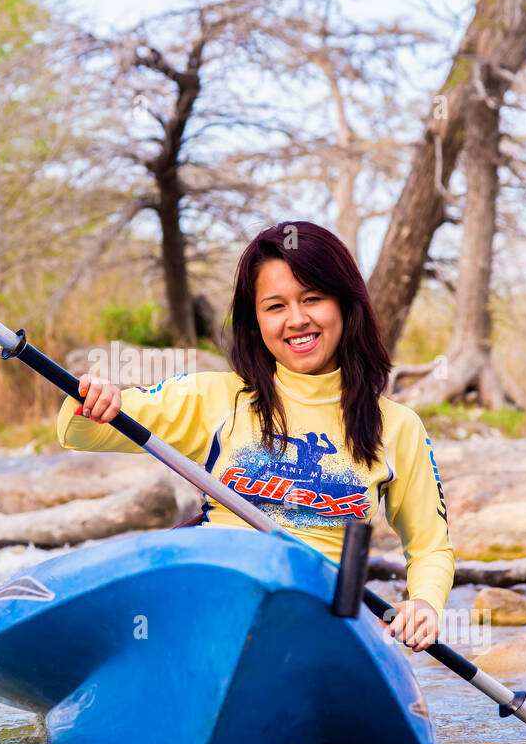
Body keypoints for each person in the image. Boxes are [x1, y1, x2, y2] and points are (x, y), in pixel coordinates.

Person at [56, 221, 454, 652]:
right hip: (212, 601)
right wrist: (91, 399)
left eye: (313, 299)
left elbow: (431, 547)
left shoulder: (397, 426)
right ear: (255, 321)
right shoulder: (216, 398)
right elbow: (79, 432)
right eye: (275, 306)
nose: (297, 319)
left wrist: (425, 604)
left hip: (322, 624)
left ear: (344, 304)